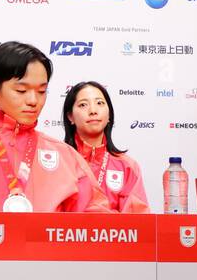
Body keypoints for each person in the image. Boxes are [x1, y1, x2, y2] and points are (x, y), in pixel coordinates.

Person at [0, 42, 110, 212]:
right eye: (21, 91)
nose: (33, 101)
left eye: (41, 91)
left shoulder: (67, 157)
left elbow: (94, 226)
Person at [63, 81, 150, 213]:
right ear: (70, 117)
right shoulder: (60, 162)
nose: (93, 111)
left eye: (99, 103)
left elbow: (136, 224)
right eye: (83, 105)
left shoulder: (127, 167)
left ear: (109, 115)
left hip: (114, 234)